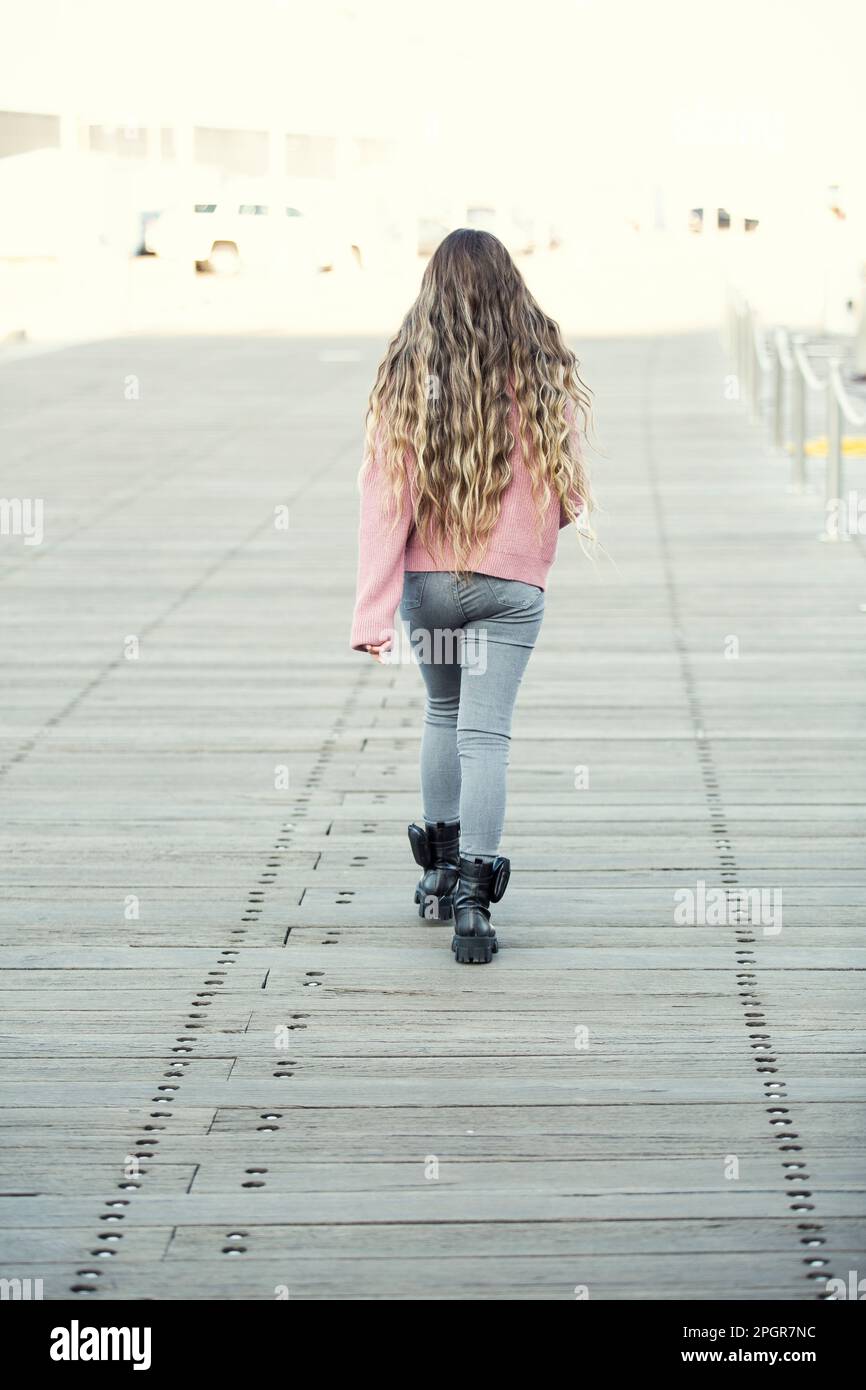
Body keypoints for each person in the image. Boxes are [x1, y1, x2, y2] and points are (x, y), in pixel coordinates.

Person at [350, 228, 593, 963]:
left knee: (443, 713)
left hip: (430, 589)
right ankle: (474, 907)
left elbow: (384, 499)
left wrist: (371, 611)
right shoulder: (541, 366)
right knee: (487, 738)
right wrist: (537, 522)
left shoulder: (407, 373)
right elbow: (572, 488)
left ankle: (439, 868)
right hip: (511, 588)